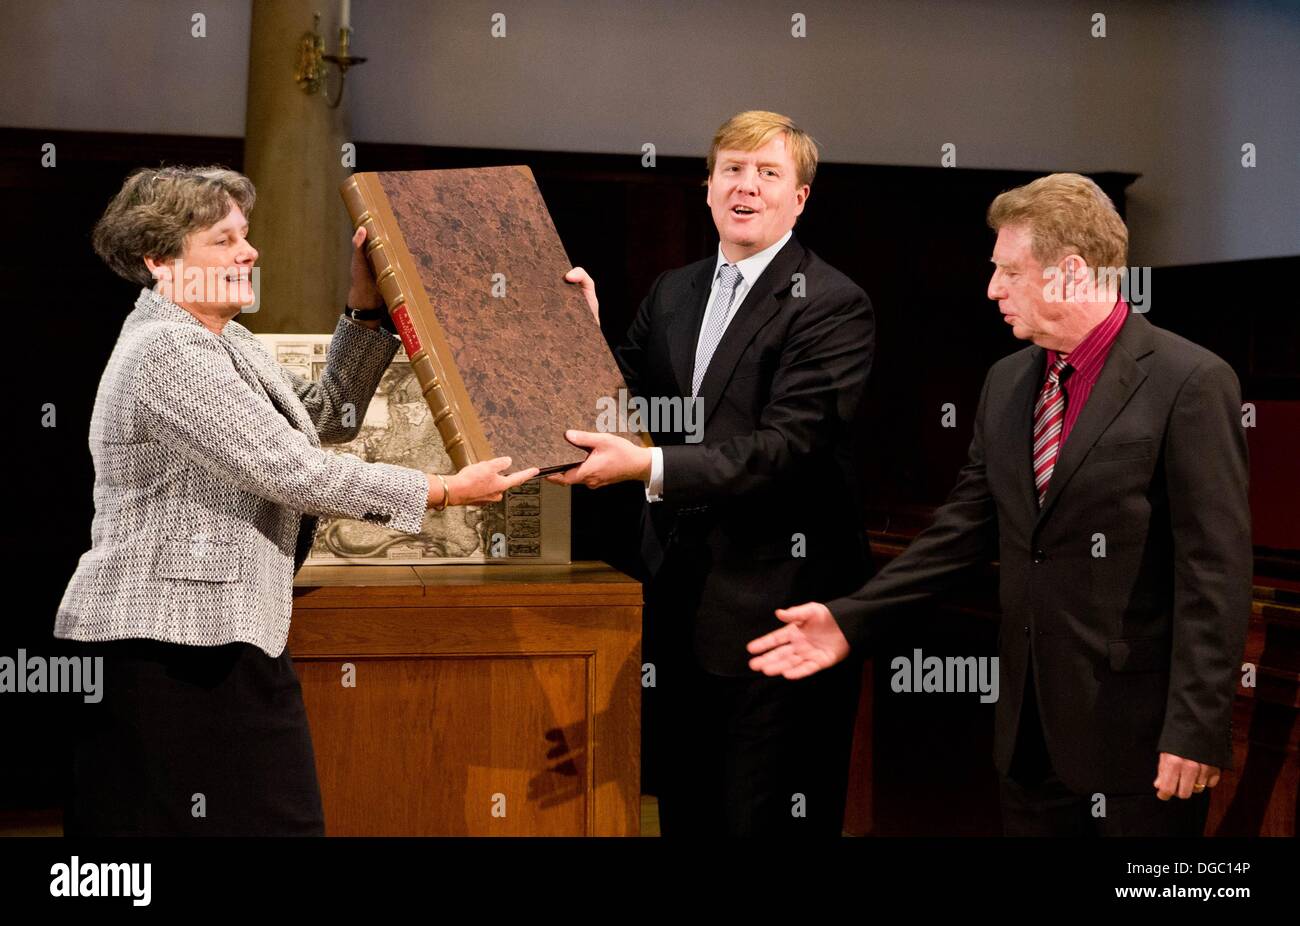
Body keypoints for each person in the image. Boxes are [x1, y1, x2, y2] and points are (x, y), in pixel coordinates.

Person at [747, 173, 1251, 836]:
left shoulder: (1190, 381)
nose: (992, 290)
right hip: (1027, 737)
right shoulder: (1009, 380)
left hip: (1142, 744)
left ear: (1071, 272)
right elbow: (961, 530)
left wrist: (1195, 726)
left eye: (1009, 272)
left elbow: (1213, 570)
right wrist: (851, 620)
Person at [55, 165, 537, 835]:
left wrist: (364, 307)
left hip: (217, 634)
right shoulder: (168, 350)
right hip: (171, 643)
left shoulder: (224, 341)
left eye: (245, 235)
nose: (249, 252)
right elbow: (292, 470)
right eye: (223, 240)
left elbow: (323, 415)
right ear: (159, 259)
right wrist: (446, 490)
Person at [553, 111, 874, 835]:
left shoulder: (832, 304)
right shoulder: (675, 291)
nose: (747, 187)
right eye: (733, 169)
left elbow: (786, 448)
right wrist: (581, 333)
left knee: (763, 821)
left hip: (780, 618)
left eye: (769, 174)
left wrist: (650, 466)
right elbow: (623, 404)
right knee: (687, 816)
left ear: (801, 198)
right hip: (678, 610)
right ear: (707, 188)